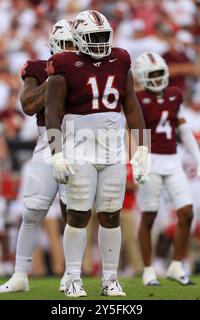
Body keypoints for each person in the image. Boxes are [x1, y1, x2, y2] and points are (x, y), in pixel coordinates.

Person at [45, 10, 148, 297]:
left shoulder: (120, 60)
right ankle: (74, 278)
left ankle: (110, 280)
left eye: (104, 37)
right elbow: (52, 113)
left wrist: (142, 148)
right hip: (80, 152)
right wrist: (56, 153)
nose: (100, 43)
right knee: (77, 216)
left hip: (113, 152)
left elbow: (132, 107)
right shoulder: (63, 64)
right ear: (78, 38)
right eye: (94, 37)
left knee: (111, 216)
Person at [0, 19, 75, 294]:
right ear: (52, 46)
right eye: (62, 44)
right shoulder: (39, 69)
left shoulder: (88, 70)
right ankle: (20, 275)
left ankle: (72, 275)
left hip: (79, 144)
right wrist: (55, 78)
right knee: (32, 211)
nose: (67, 49)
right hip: (47, 142)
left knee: (75, 214)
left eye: (71, 44)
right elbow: (28, 105)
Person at [133, 52, 200, 286]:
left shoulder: (175, 95)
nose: (157, 79)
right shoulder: (137, 98)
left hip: (172, 159)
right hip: (151, 160)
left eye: (159, 74)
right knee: (149, 215)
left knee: (186, 211)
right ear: (143, 77)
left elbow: (183, 129)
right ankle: (148, 270)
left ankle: (176, 265)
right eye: (152, 75)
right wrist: (136, 160)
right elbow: (131, 131)